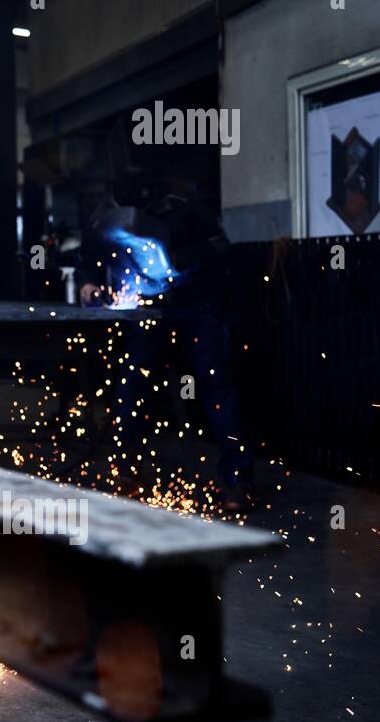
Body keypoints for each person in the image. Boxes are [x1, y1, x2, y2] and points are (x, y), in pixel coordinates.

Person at [79, 173, 255, 509]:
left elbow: (220, 246)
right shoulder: (104, 214)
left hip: (195, 305)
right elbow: (89, 258)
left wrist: (180, 261)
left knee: (216, 382)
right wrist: (89, 283)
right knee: (132, 380)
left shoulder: (184, 204)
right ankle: (125, 472)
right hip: (145, 309)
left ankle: (239, 480)